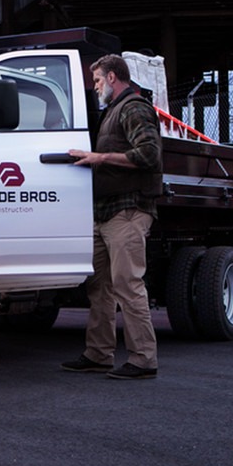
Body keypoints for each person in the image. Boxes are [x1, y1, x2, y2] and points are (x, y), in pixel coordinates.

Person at [61, 54, 163, 380]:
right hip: (105, 212)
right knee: (99, 287)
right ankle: (98, 354)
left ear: (113, 78)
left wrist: (99, 156)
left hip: (128, 211)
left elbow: (149, 154)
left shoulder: (133, 107)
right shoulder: (112, 112)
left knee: (127, 285)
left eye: (97, 81)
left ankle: (144, 360)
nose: (95, 87)